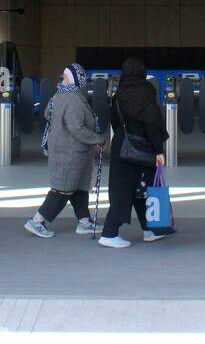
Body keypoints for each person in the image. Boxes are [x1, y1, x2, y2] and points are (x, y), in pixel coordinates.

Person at [24, 63, 107, 238]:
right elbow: (77, 128)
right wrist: (98, 139)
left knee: (78, 187)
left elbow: (48, 114)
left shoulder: (59, 95)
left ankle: (84, 221)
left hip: (67, 150)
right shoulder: (73, 99)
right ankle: (37, 220)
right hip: (70, 152)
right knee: (63, 189)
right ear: (79, 79)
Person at [99, 57, 168, 249]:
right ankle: (109, 233)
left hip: (122, 145)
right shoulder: (146, 93)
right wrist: (158, 150)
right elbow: (152, 124)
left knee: (134, 189)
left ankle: (150, 229)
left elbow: (113, 120)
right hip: (142, 147)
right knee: (133, 189)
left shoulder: (119, 94)